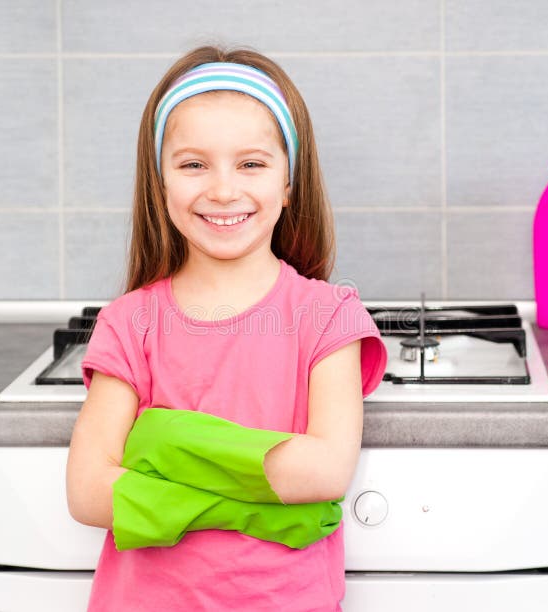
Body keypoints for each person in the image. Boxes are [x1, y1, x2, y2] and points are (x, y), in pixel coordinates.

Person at [66, 44, 388, 611]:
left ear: (289, 182)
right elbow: (89, 492)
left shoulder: (327, 315)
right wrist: (253, 508)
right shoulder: (129, 322)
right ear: (159, 182)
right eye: (193, 164)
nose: (221, 190)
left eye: (251, 164)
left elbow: (325, 470)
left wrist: (161, 445)